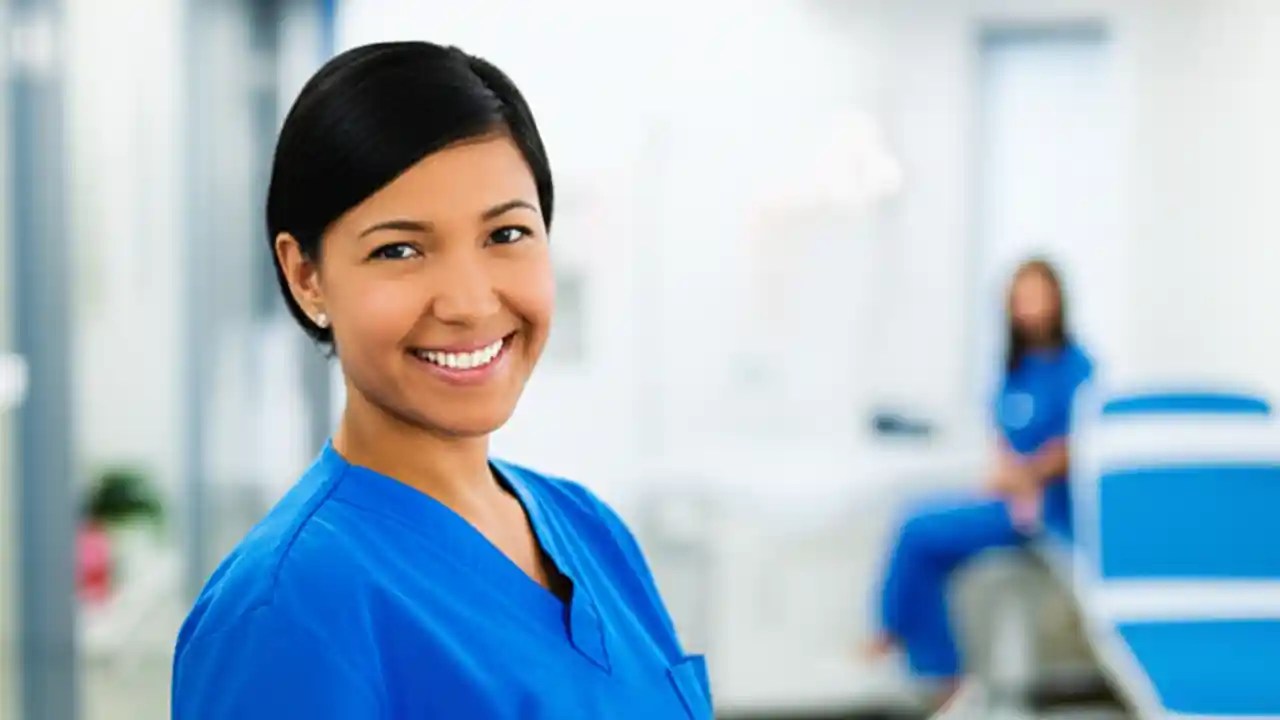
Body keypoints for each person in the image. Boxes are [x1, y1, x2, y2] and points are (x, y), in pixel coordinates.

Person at [172, 42, 711, 719]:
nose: (469, 303)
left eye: (506, 235)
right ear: (306, 275)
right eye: (399, 249)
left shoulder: (591, 530)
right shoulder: (287, 613)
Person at [872, 258, 1093, 710]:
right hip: (1010, 499)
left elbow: (1079, 442)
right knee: (921, 535)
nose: (1029, 307)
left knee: (917, 527)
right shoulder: (1013, 369)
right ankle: (941, 673)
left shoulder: (1077, 368)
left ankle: (894, 631)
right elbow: (1002, 439)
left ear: (1057, 300)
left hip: (1048, 511)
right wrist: (1009, 473)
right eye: (1020, 298)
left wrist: (1028, 475)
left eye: (1037, 296)